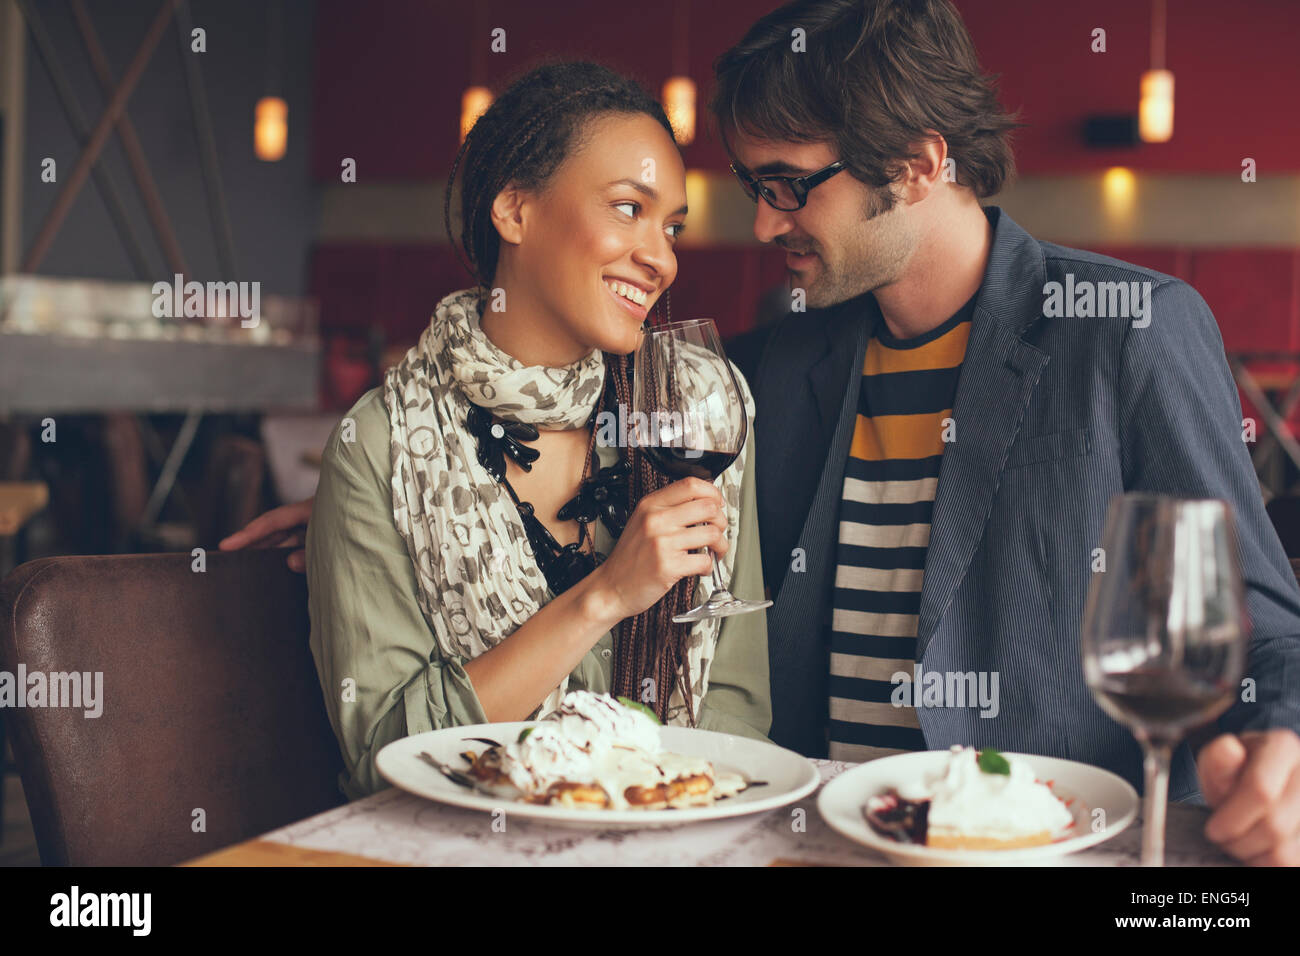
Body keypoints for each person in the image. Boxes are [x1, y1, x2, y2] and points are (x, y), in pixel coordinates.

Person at [708, 0, 1300, 865]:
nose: (764, 223)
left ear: (918, 164)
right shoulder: (777, 360)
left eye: (791, 183)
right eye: (752, 185)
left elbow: (1266, 632)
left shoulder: (1130, 329)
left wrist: (1286, 743)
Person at [290, 61, 769, 800]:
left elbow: (736, 707)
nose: (662, 256)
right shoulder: (383, 445)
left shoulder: (696, 403)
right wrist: (605, 595)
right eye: (626, 208)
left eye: (671, 225)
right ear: (515, 210)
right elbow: (385, 752)